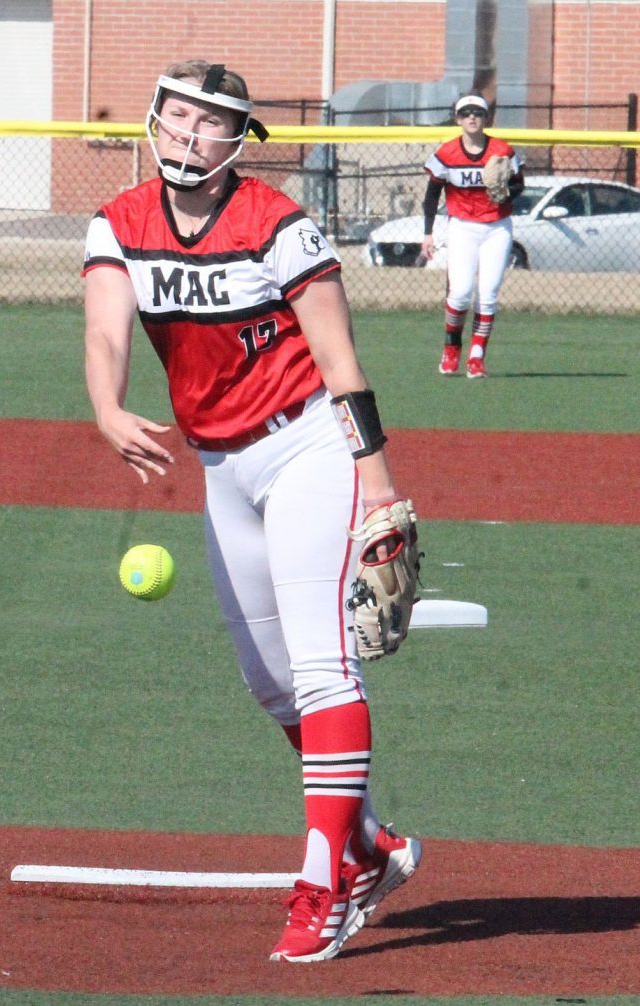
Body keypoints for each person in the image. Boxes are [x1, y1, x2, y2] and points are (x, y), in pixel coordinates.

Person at [81, 60, 422, 964]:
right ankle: (370, 845)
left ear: (241, 139)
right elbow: (107, 326)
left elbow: (341, 363)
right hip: (222, 466)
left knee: (320, 668)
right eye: (179, 116)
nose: (192, 134)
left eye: (212, 121)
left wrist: (379, 488)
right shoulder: (121, 222)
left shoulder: (279, 225)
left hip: (307, 445)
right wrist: (108, 406)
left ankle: (323, 884)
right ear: (153, 120)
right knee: (270, 684)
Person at [421, 94, 524, 378]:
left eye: (477, 113)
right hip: (463, 226)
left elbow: (520, 185)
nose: (471, 118)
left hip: (497, 226)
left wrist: (507, 192)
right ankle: (451, 346)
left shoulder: (502, 150)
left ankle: (477, 356)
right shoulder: (447, 152)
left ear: (485, 117)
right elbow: (432, 194)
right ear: (458, 119)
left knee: (488, 294)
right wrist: (427, 233)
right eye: (465, 113)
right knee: (461, 291)